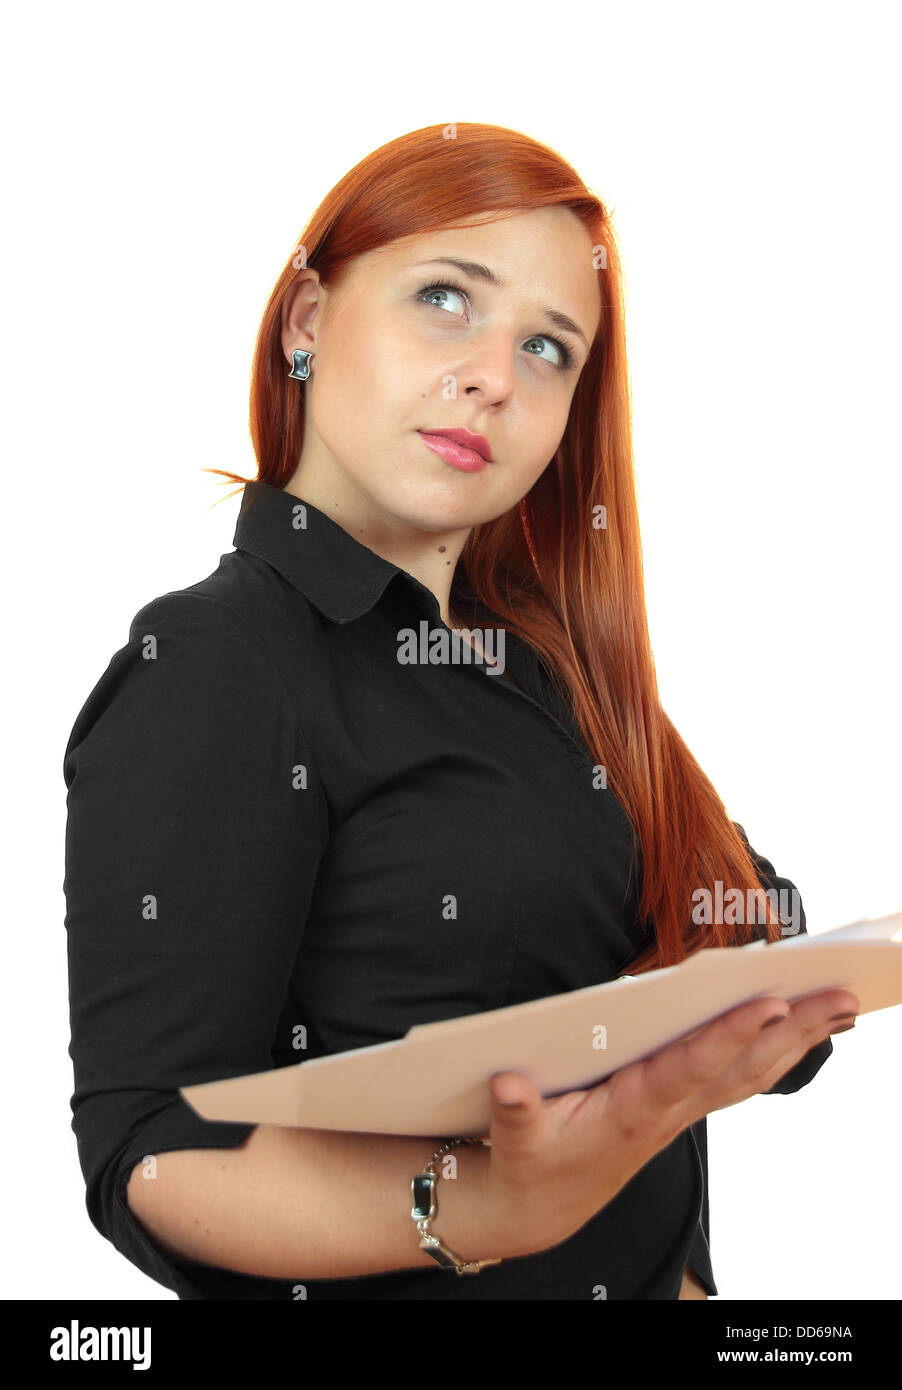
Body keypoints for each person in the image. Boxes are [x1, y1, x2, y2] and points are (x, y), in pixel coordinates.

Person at [63, 122, 859, 1301]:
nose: (493, 373)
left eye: (548, 347)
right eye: (445, 297)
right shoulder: (217, 661)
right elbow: (152, 1147)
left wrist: (748, 1004)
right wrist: (488, 1204)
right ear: (307, 322)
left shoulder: (544, 665)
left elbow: (739, 924)